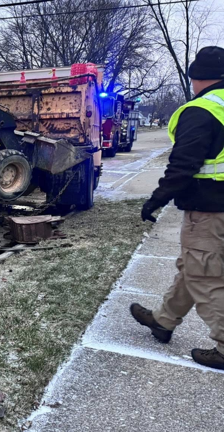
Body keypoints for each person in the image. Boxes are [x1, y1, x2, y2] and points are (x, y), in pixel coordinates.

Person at [131, 46, 224, 371]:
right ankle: (163, 321)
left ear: (197, 79)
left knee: (204, 275)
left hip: (209, 211)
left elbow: (183, 164)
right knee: (194, 268)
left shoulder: (201, 110)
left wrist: (156, 199)